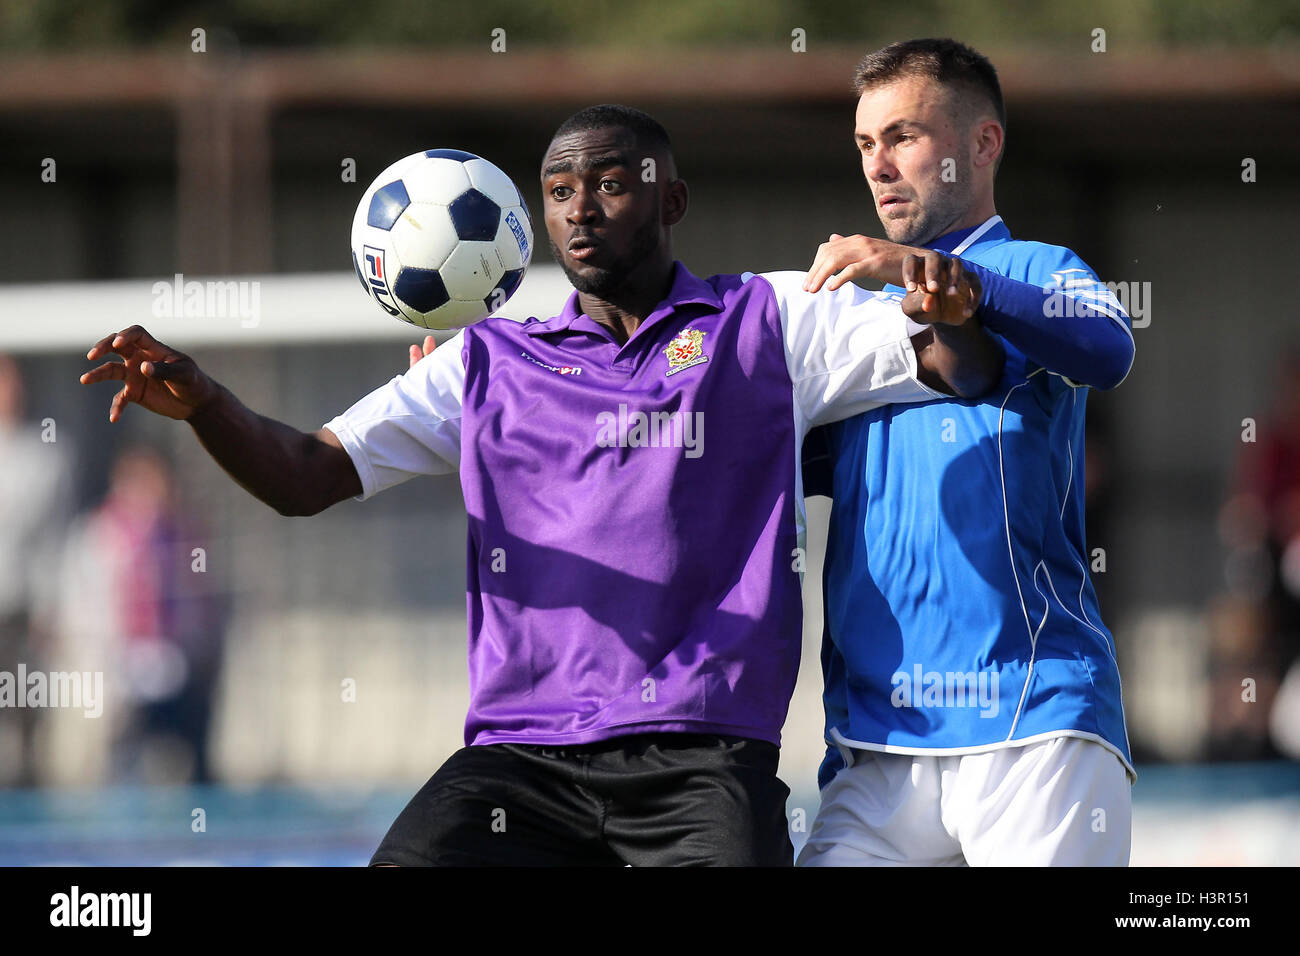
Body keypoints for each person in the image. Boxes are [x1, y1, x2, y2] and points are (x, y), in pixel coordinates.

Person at [81, 104, 1003, 866]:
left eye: (610, 184)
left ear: (671, 197)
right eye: (560, 192)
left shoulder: (768, 319)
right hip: (521, 762)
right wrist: (204, 402)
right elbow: (306, 477)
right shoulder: (484, 362)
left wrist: (953, 306)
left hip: (703, 758)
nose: (582, 210)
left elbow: (959, 367)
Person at [797, 40, 1137, 866]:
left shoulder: (1034, 269)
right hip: (878, 749)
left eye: (904, 136)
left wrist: (937, 274)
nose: (878, 166)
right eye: (865, 144)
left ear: (982, 145)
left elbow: (1108, 345)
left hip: (1033, 722)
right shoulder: (855, 325)